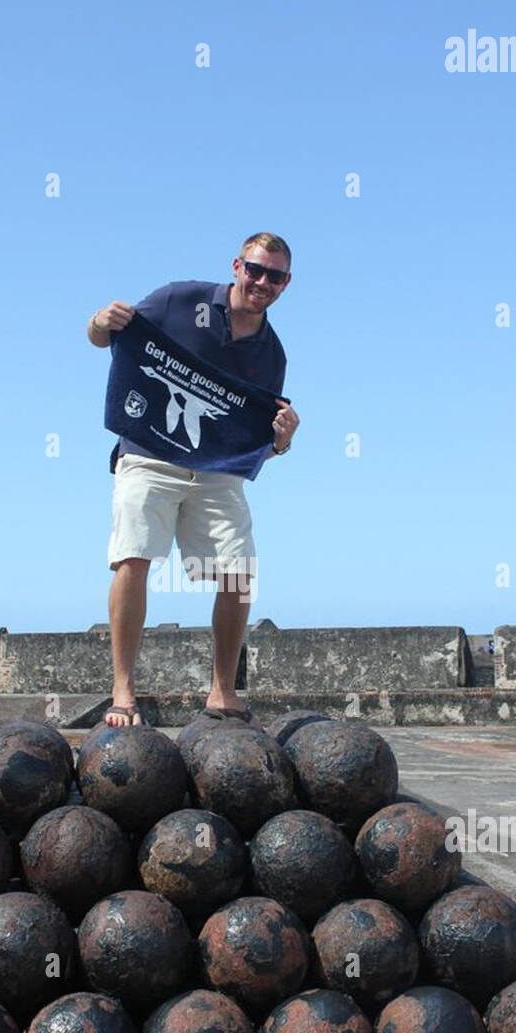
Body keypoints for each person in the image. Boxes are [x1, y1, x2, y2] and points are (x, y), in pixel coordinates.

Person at [87, 232, 300, 727]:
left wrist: (283, 441)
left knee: (239, 572)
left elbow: (252, 439)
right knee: (133, 558)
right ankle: (122, 689)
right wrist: (99, 322)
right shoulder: (178, 299)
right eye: (255, 269)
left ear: (286, 284)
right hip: (148, 455)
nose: (262, 281)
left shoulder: (273, 355)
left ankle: (222, 691)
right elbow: (105, 339)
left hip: (215, 472)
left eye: (275, 276)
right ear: (237, 266)